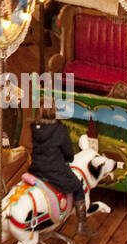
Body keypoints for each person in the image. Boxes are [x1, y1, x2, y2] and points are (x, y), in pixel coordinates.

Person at [29, 100, 89, 234]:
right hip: (53, 171)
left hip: (36, 168)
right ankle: (82, 224)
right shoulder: (60, 129)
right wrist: (68, 158)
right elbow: (68, 153)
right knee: (77, 187)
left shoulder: (34, 127)